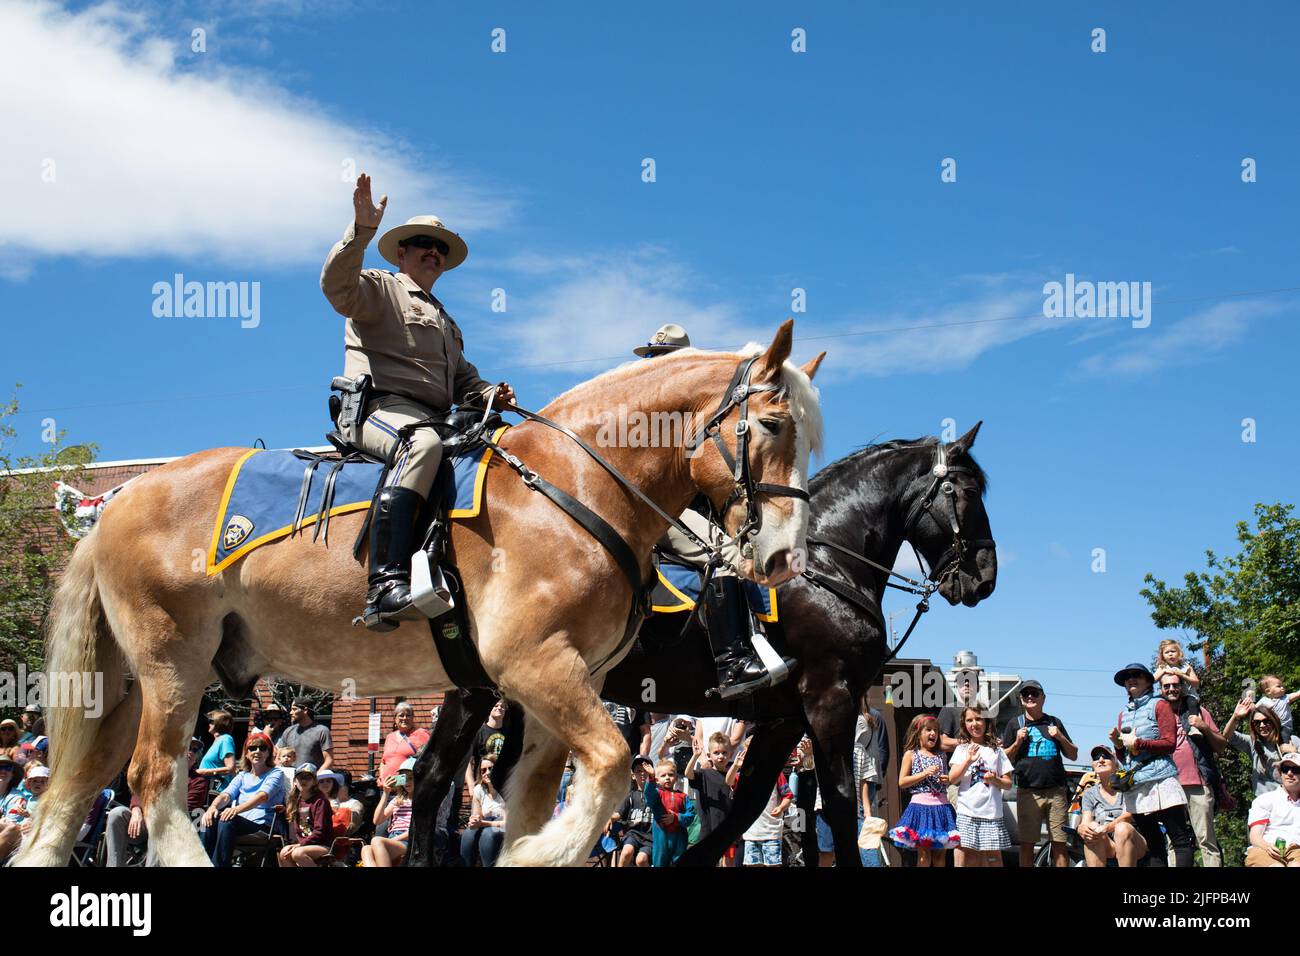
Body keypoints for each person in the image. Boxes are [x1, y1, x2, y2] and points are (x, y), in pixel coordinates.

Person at [322, 173, 515, 630]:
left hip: (435, 417)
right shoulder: (380, 288)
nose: (433, 251)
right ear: (402, 253)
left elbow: (464, 380)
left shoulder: (445, 321)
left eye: (440, 247)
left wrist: (491, 394)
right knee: (420, 445)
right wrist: (361, 231)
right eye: (423, 243)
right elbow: (337, 287)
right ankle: (385, 585)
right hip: (379, 410)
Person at [635, 324, 788, 699]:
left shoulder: (690, 411)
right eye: (653, 357)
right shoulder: (650, 410)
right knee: (728, 556)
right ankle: (731, 663)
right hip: (659, 509)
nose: (654, 364)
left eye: (661, 357)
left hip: (682, 507)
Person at [1109, 662, 1194, 868]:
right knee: (1154, 844)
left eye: (1136, 675)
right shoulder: (1123, 714)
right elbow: (1125, 757)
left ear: (1148, 681)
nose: (1131, 679)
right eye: (1127, 677)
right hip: (1137, 783)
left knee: (1180, 839)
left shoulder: (1160, 705)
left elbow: (1170, 743)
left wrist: (1138, 743)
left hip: (1161, 779)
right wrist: (1119, 746)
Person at [1000, 679, 1077, 867]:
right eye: (1025, 694)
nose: (1030, 697)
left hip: (1056, 792)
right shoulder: (1015, 724)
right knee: (1026, 844)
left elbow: (1073, 755)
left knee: (1059, 843)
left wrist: (1060, 736)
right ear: (1021, 699)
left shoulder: (1054, 722)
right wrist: (1017, 742)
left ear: (1043, 698)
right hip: (1028, 792)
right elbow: (1003, 759)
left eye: (1034, 693)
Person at [1158, 671, 1227, 866]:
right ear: (1161, 689)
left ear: (1182, 686)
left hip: (1199, 784)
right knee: (1173, 842)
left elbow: (1221, 746)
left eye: (1175, 685)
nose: (1171, 689)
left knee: (1206, 840)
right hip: (1169, 786)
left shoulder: (1197, 710)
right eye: (1166, 686)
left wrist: (1204, 727)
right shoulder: (1156, 714)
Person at [199, 733, 288, 867]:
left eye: (262, 748)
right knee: (209, 819)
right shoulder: (242, 775)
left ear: (269, 753)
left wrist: (235, 810)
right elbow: (225, 795)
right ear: (246, 754)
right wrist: (212, 808)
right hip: (237, 822)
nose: (257, 751)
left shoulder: (276, 773)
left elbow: (262, 797)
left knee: (227, 820)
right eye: (252, 748)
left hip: (261, 826)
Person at [889, 714, 959, 866]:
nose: (933, 733)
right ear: (918, 733)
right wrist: (925, 773)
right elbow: (902, 782)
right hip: (921, 808)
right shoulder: (911, 754)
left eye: (936, 730)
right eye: (928, 730)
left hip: (942, 807)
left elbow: (946, 779)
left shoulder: (941, 755)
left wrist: (946, 779)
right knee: (923, 855)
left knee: (940, 855)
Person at [948, 707, 1013, 867]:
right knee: (967, 856)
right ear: (964, 724)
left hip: (991, 814)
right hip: (967, 812)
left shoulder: (997, 751)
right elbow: (952, 778)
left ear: (986, 722)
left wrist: (995, 779)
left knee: (994, 858)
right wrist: (968, 761)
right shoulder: (961, 749)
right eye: (969, 720)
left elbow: (1008, 783)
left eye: (978, 719)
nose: (974, 724)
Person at [1079, 746, 1147, 867]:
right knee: (1091, 829)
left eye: (1105, 756)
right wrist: (1081, 828)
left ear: (1115, 762)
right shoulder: (1090, 794)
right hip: (1108, 846)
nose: (1101, 760)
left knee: (1122, 828)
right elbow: (1086, 821)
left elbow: (1128, 816)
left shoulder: (1127, 786)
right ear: (1093, 765)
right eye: (1096, 758)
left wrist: (1106, 827)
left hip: (1134, 844)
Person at [1223, 700, 1300, 796]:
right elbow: (1228, 735)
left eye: (1266, 721)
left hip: (1291, 799)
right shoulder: (1252, 743)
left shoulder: (1292, 741)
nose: (1262, 725)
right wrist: (1235, 716)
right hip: (1264, 800)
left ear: (1274, 720)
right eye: (1257, 722)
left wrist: (1294, 753)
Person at [1244, 751, 1300, 867]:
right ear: (1280, 773)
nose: (1289, 773)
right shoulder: (1265, 800)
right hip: (1266, 849)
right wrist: (1267, 846)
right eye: (1285, 769)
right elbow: (1255, 836)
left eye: (1295, 770)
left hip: (1296, 851)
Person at [736, 749, 791, 868]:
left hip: (771, 832)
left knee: (773, 865)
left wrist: (781, 807)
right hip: (751, 834)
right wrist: (736, 766)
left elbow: (788, 796)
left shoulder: (776, 774)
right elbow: (729, 781)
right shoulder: (745, 775)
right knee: (752, 865)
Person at [686, 732, 734, 856]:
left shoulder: (732, 776)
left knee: (728, 860)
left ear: (730, 754)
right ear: (709, 755)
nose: (721, 756)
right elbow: (688, 774)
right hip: (708, 828)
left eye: (724, 752)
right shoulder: (704, 774)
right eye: (716, 753)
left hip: (728, 828)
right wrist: (695, 756)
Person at [278, 763, 334, 867]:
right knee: (284, 853)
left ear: (314, 782)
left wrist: (300, 845)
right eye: (300, 778)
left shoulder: (320, 801)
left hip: (322, 845)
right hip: (303, 845)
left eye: (308, 778)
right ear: (295, 781)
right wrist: (297, 844)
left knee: (298, 853)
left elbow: (320, 831)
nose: (303, 780)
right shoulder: (296, 801)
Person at [644, 758, 696, 866]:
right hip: (661, 837)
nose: (667, 777)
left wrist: (676, 818)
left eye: (671, 775)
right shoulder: (657, 794)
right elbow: (648, 795)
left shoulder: (683, 796)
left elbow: (691, 815)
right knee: (659, 862)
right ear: (657, 780)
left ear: (676, 778)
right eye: (663, 775)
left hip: (679, 838)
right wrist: (651, 778)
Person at [363, 757, 414, 867]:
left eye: (411, 778)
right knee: (366, 849)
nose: (407, 782)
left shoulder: (420, 800)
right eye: (404, 778)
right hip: (392, 839)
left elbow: (416, 829)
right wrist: (386, 793)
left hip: (408, 841)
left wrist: (395, 839)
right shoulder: (398, 800)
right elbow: (377, 820)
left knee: (376, 841)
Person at [460, 754, 507, 867]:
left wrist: (482, 823)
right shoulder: (478, 790)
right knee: (468, 833)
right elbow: (477, 815)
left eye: (491, 768)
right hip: (487, 822)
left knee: (488, 834)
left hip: (505, 826)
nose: (487, 772)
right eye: (483, 770)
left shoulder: (507, 788)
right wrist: (474, 820)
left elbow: (508, 823)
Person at [613, 756, 655, 867]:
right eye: (638, 771)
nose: (642, 773)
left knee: (641, 860)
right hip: (633, 834)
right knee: (627, 852)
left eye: (645, 770)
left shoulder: (657, 795)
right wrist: (608, 819)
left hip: (650, 837)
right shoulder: (630, 796)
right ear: (633, 775)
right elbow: (618, 814)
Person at [465, 697, 508, 792]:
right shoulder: (479, 732)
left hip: (504, 788)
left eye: (502, 706)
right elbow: (467, 761)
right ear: (489, 709)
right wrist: (471, 785)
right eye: (496, 705)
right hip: (483, 785)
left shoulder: (509, 733)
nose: (499, 708)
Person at [381, 701, 430, 781]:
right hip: (386, 786)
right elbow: (383, 762)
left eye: (408, 715)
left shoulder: (421, 734)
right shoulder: (390, 737)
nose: (405, 718)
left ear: (413, 718)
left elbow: (429, 760)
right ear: (395, 719)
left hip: (408, 786)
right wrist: (382, 779)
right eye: (401, 715)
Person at [279, 698, 333, 770]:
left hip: (312, 776)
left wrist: (317, 775)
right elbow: (278, 758)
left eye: (294, 709)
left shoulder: (321, 731)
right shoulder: (288, 731)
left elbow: (329, 760)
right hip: (289, 776)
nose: (291, 712)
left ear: (305, 710)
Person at [1152, 639, 1200, 708]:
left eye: (1173, 651)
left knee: (1192, 702)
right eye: (1167, 652)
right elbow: (1151, 681)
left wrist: (1182, 675)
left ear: (1179, 653)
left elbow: (1196, 683)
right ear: (1162, 656)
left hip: (1186, 695)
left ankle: (1194, 714)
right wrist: (1163, 672)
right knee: (1154, 703)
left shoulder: (1186, 667)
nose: (1170, 654)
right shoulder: (1162, 668)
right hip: (1168, 695)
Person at [196, 709, 237, 786]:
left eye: (211, 721)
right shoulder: (217, 741)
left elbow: (230, 768)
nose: (209, 724)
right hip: (207, 787)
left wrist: (205, 772)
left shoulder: (225, 739)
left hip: (218, 789)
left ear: (219, 723)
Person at [318, 770, 363, 836]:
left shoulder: (352, 804)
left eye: (328, 781)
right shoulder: (316, 799)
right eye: (321, 781)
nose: (325, 784)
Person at [1257, 675, 1299, 740]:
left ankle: (1285, 746)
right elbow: (1253, 710)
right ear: (1268, 691)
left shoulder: (1285, 698)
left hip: (1284, 727)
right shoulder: (1263, 701)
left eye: (1282, 686)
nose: (1282, 688)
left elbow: (1297, 694)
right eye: (1279, 686)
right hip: (1271, 728)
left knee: (1284, 740)